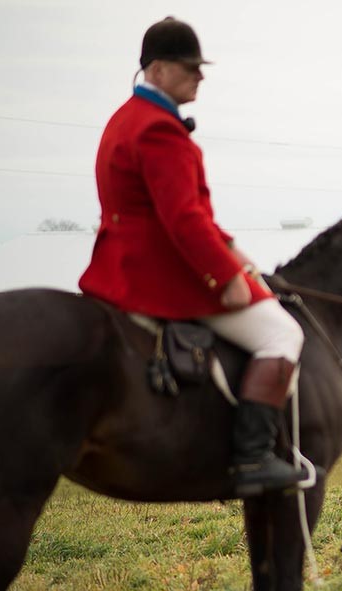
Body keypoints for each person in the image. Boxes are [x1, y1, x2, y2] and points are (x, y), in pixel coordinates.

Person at [79, 17, 307, 497]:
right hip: (161, 272)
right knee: (282, 332)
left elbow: (189, 213)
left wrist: (233, 250)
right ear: (158, 69)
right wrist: (224, 274)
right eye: (190, 67)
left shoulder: (126, 118)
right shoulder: (159, 130)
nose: (200, 76)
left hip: (121, 262)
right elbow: (182, 218)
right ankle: (252, 458)